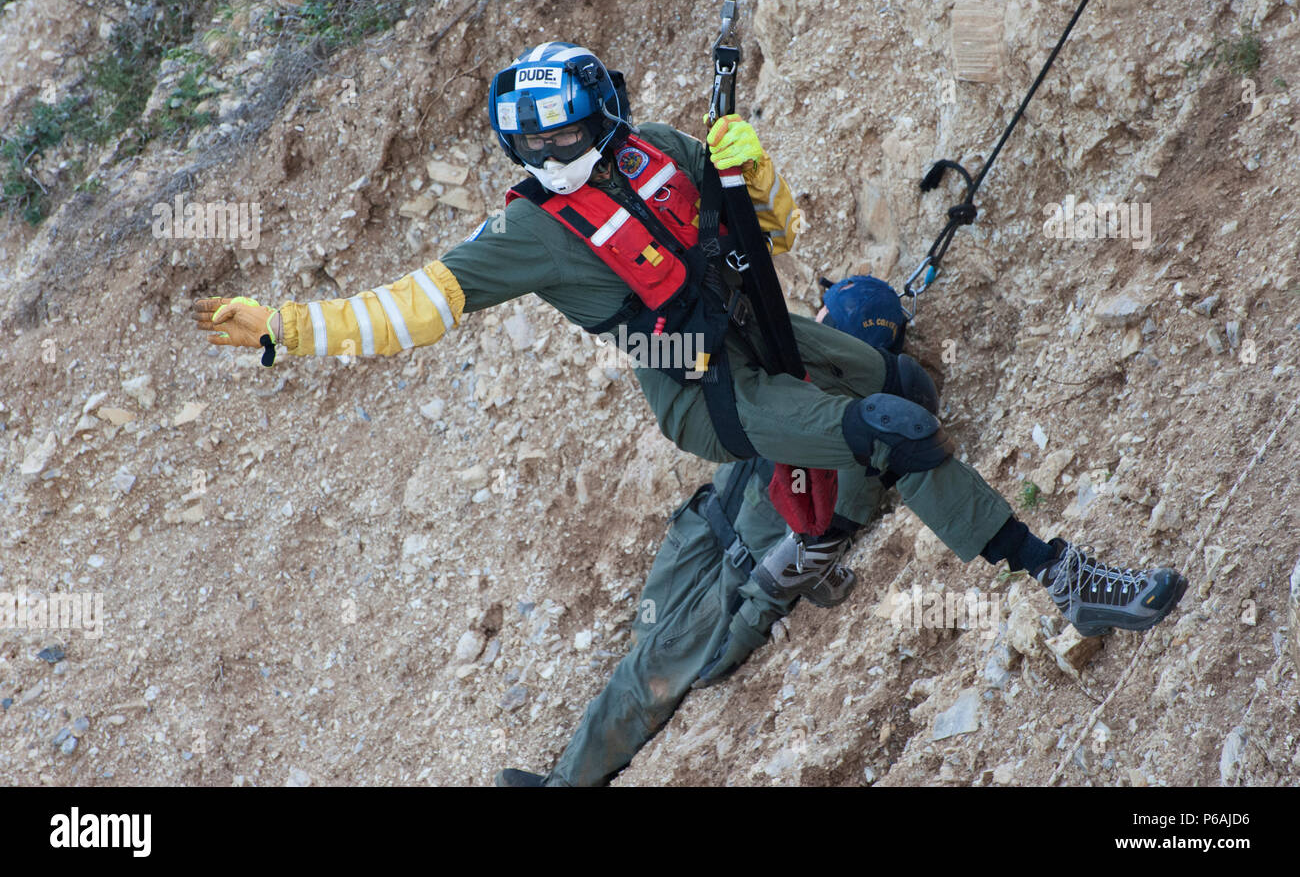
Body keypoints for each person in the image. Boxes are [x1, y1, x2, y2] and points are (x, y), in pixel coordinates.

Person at [193, 41, 1187, 650]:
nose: (549, 156)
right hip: (695, 384)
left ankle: (814, 537)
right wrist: (284, 325)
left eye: (563, 134)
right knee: (892, 430)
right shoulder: (528, 234)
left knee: (904, 381)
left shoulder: (663, 146)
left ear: (603, 113)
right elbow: (408, 307)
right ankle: (1060, 577)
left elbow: (779, 233)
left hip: (757, 327)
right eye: (528, 147)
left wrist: (756, 177)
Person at [496, 277, 910, 787]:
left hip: (733, 578)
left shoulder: (857, 441)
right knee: (648, 647)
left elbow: (808, 553)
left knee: (648, 674)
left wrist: (745, 629)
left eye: (827, 317)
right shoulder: (804, 381)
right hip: (706, 532)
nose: (814, 323)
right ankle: (611, 758)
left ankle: (564, 784)